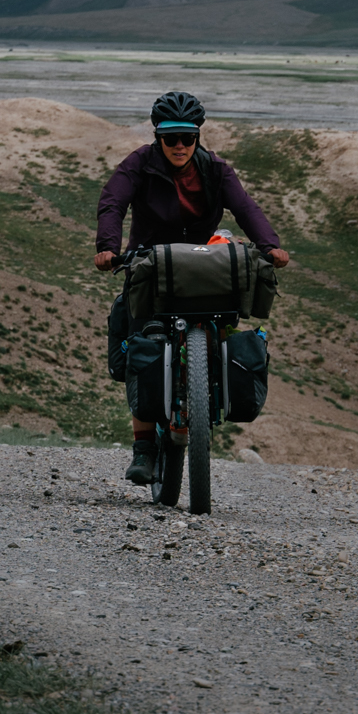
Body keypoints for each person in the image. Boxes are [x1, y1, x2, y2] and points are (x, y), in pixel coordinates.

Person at [96, 91, 291, 485]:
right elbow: (112, 202)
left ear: (198, 136)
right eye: (171, 138)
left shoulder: (215, 168)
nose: (180, 146)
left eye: (188, 137)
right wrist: (107, 247)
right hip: (149, 261)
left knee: (224, 321)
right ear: (158, 137)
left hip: (200, 261)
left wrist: (270, 245)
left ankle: (208, 389)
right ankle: (144, 449)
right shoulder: (138, 164)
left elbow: (245, 207)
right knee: (142, 344)